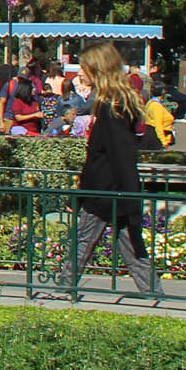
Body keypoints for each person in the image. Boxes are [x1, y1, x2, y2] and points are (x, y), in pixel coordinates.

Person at [71, 43, 158, 293]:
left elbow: (120, 157)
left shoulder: (113, 108)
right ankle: (154, 294)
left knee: (81, 246)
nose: (81, 73)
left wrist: (131, 198)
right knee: (131, 248)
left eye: (84, 68)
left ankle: (63, 290)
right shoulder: (114, 103)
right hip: (111, 191)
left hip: (105, 191)